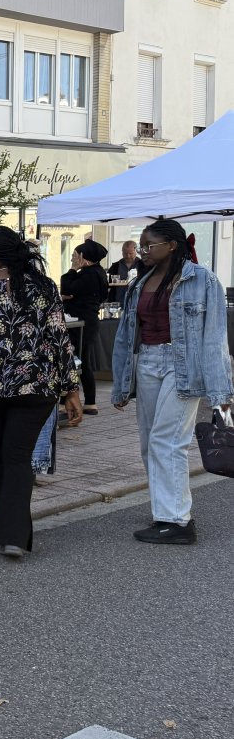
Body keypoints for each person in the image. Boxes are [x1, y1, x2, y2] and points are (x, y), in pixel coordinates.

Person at [0, 226, 83, 559]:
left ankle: (10, 531)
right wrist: (71, 389)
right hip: (36, 388)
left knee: (0, 455)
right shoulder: (45, 288)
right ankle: (11, 530)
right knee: (17, 456)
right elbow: (59, 339)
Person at [111, 219, 232, 545]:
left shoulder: (202, 280)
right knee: (150, 442)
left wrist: (221, 391)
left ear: (172, 245)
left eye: (149, 245)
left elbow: (215, 338)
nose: (143, 250)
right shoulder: (141, 282)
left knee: (168, 441)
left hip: (183, 366)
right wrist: (122, 384)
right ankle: (163, 509)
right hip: (147, 363)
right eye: (142, 245)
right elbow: (126, 336)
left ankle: (177, 521)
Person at [60, 240, 110, 416]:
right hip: (87, 321)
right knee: (81, 360)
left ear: (84, 258)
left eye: (75, 255)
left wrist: (73, 269)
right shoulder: (97, 273)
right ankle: (89, 402)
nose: (73, 258)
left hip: (81, 323)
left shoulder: (88, 274)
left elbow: (66, 286)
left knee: (77, 361)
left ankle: (84, 401)